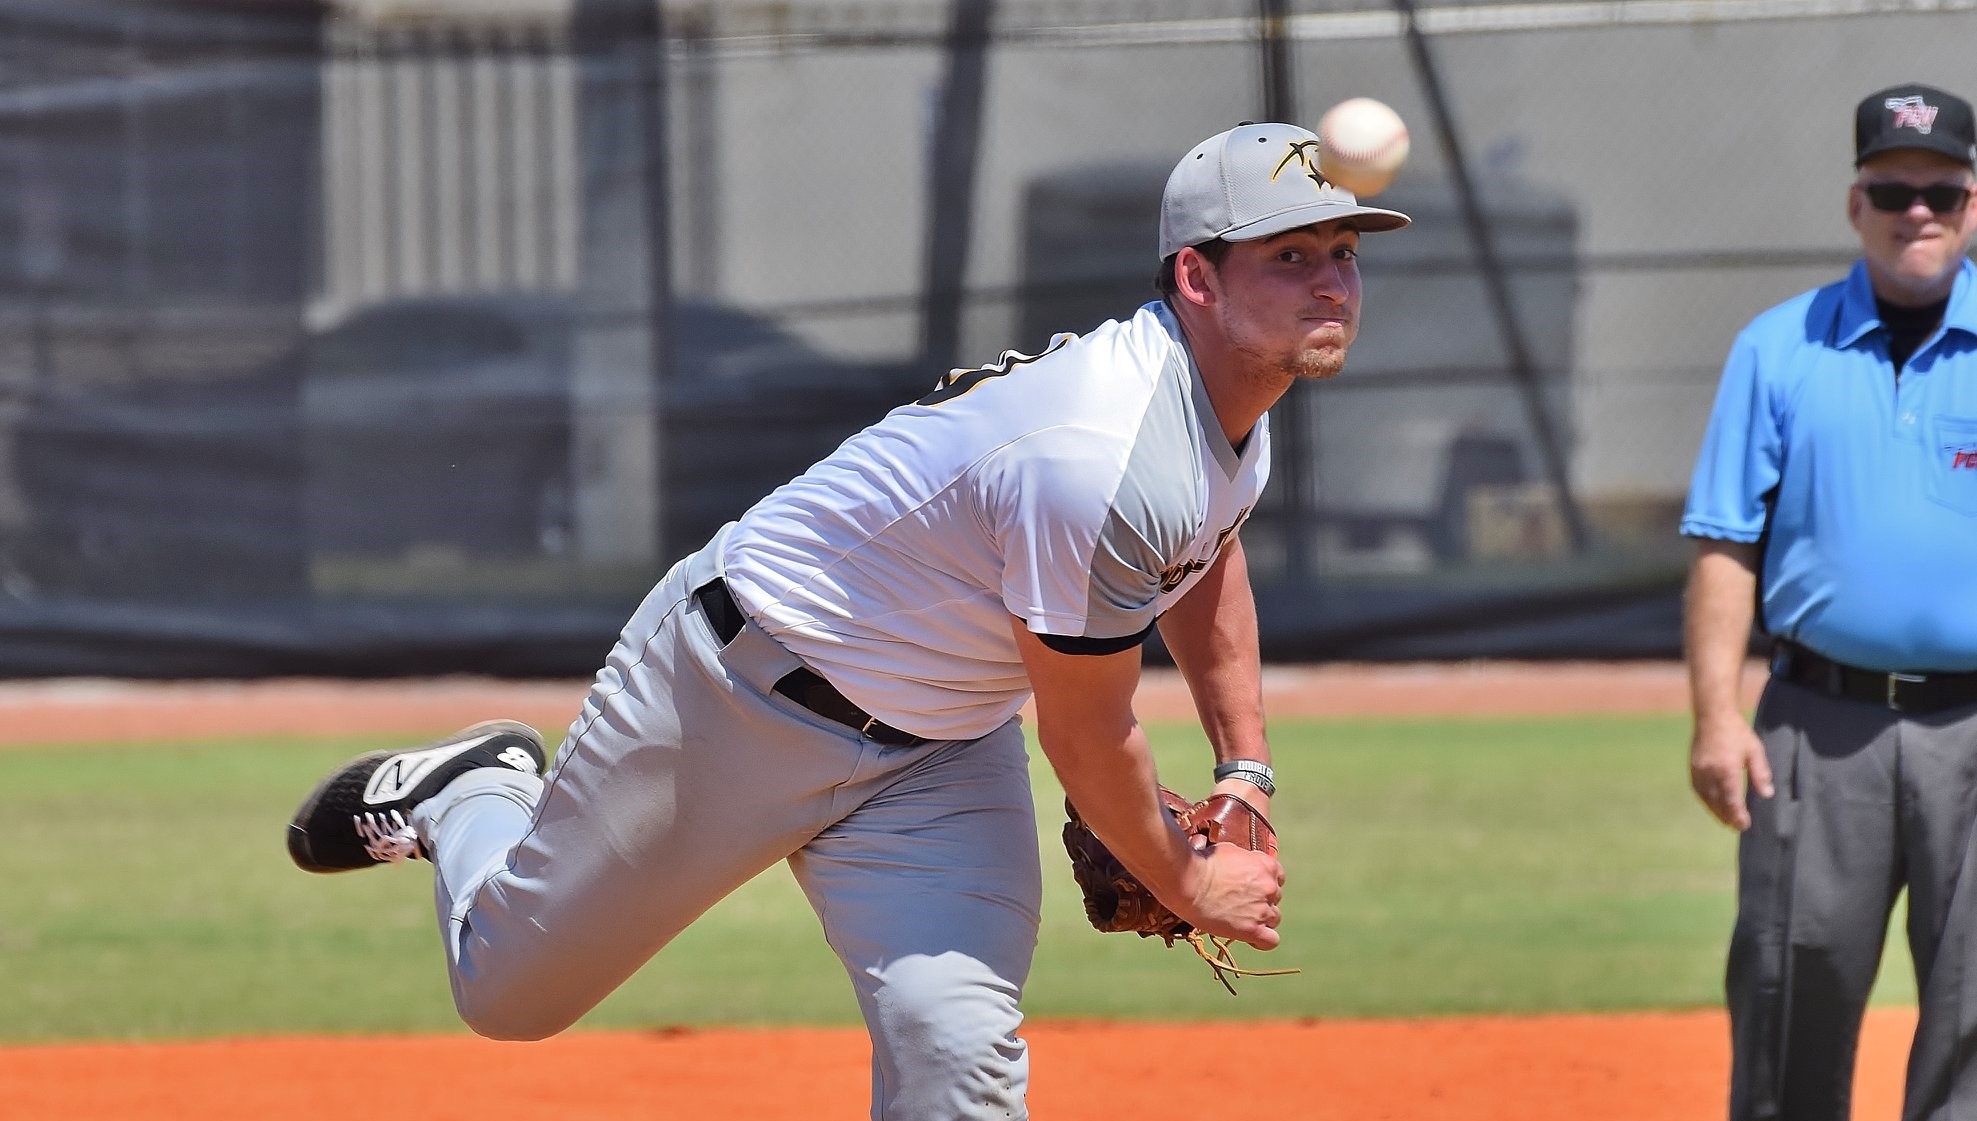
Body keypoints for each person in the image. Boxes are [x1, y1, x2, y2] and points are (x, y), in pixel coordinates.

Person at [285, 121, 1409, 1120]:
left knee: (955, 1052)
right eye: (1291, 255)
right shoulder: (1099, 451)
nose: (1332, 284)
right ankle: (474, 789)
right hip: (735, 691)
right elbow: (1086, 735)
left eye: (1345, 255)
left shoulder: (1226, 411)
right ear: (1196, 279)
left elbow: (1204, 552)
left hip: (937, 755)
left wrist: (1244, 770)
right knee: (508, 994)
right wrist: (1184, 876)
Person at [1682, 82, 1977, 1121]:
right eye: (1893, 190)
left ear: (1973, 200)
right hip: (1819, 720)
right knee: (1788, 984)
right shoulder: (1780, 345)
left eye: (1942, 188)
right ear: (1856, 201)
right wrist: (1717, 717)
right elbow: (1725, 545)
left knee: (1974, 1011)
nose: (1918, 212)